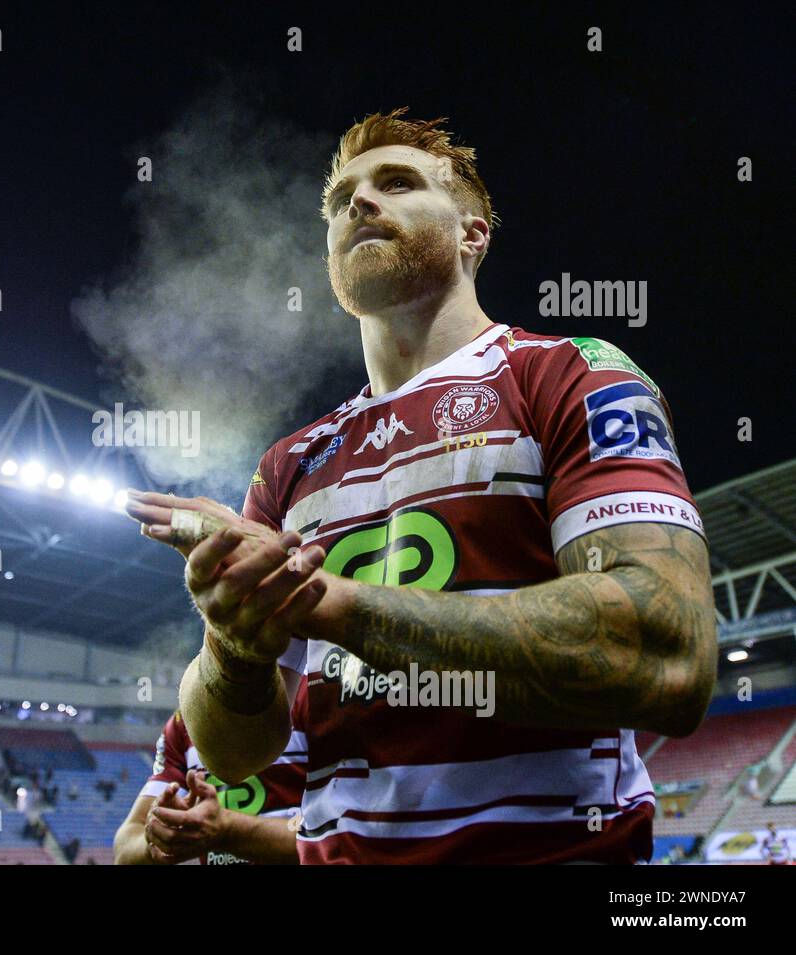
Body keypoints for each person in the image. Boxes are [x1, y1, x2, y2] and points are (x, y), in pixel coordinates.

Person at [126, 108, 717, 864]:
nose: (358, 204)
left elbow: (668, 652)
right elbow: (238, 755)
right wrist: (234, 644)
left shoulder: (575, 373)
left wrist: (328, 603)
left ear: (474, 233)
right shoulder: (290, 464)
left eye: (396, 183)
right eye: (341, 200)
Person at [114, 706, 304, 865]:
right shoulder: (186, 719)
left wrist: (229, 830)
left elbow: (332, 836)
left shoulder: (318, 691)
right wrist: (156, 838)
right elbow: (125, 847)